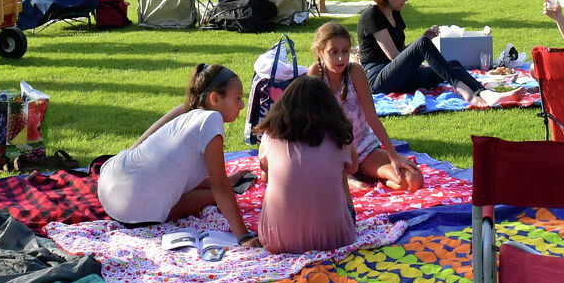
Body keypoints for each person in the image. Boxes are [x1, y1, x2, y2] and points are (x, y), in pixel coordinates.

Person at [95, 63, 257, 244]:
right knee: (219, 195)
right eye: (238, 98)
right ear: (215, 99)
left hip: (109, 186)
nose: (242, 105)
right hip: (134, 210)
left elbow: (147, 154)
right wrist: (244, 237)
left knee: (216, 190)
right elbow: (220, 187)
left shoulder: (184, 110)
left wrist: (224, 181)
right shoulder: (212, 119)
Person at [308, 21, 425, 190]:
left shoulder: (354, 71)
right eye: (333, 52)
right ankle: (348, 178)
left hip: (363, 149)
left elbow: (372, 116)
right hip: (330, 152)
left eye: (345, 51)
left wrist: (393, 155)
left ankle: (366, 175)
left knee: (414, 179)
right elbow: (312, 124)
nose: (340, 58)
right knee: (356, 183)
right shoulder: (315, 74)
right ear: (320, 52)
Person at [255, 75, 359, 253]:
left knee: (272, 176)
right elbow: (353, 168)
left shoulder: (270, 137)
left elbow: (264, 169)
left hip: (275, 240)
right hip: (337, 238)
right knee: (341, 172)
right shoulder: (340, 139)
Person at [356, 0, 487, 99]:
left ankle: (483, 92)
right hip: (378, 79)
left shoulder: (394, 13)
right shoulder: (372, 15)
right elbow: (393, 56)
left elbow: (401, 52)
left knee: (453, 65)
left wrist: (424, 42)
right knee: (423, 43)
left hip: (400, 76)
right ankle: (460, 87)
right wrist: (420, 46)